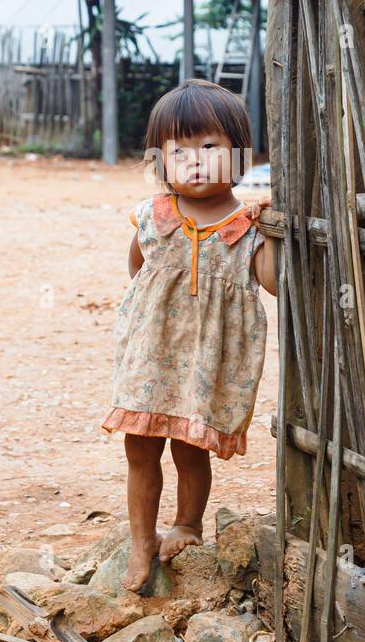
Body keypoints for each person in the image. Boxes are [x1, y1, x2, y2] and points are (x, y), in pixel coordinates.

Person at [100, 78, 276, 591]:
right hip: (151, 354)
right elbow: (139, 269)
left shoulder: (247, 225)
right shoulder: (153, 216)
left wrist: (273, 231)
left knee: (189, 448)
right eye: (179, 150)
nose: (195, 160)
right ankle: (141, 543)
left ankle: (187, 523)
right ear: (160, 162)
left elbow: (271, 283)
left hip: (207, 360)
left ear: (241, 157)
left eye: (209, 147)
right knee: (139, 446)